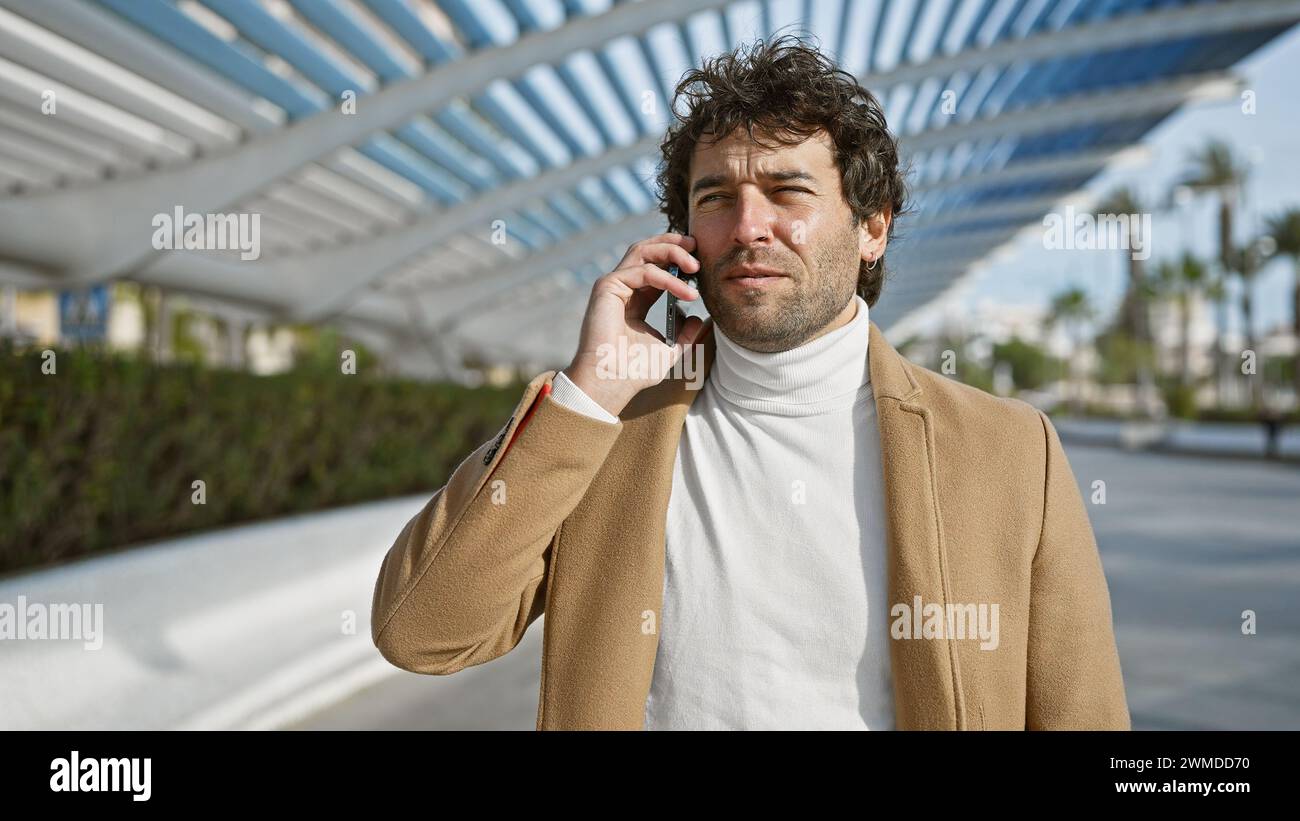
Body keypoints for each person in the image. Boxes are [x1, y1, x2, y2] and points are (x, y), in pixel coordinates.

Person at [370, 36, 1130, 730]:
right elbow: (421, 631)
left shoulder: (1007, 452)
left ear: (873, 228)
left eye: (787, 191)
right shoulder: (604, 431)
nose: (748, 226)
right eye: (715, 198)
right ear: (683, 238)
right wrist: (590, 390)